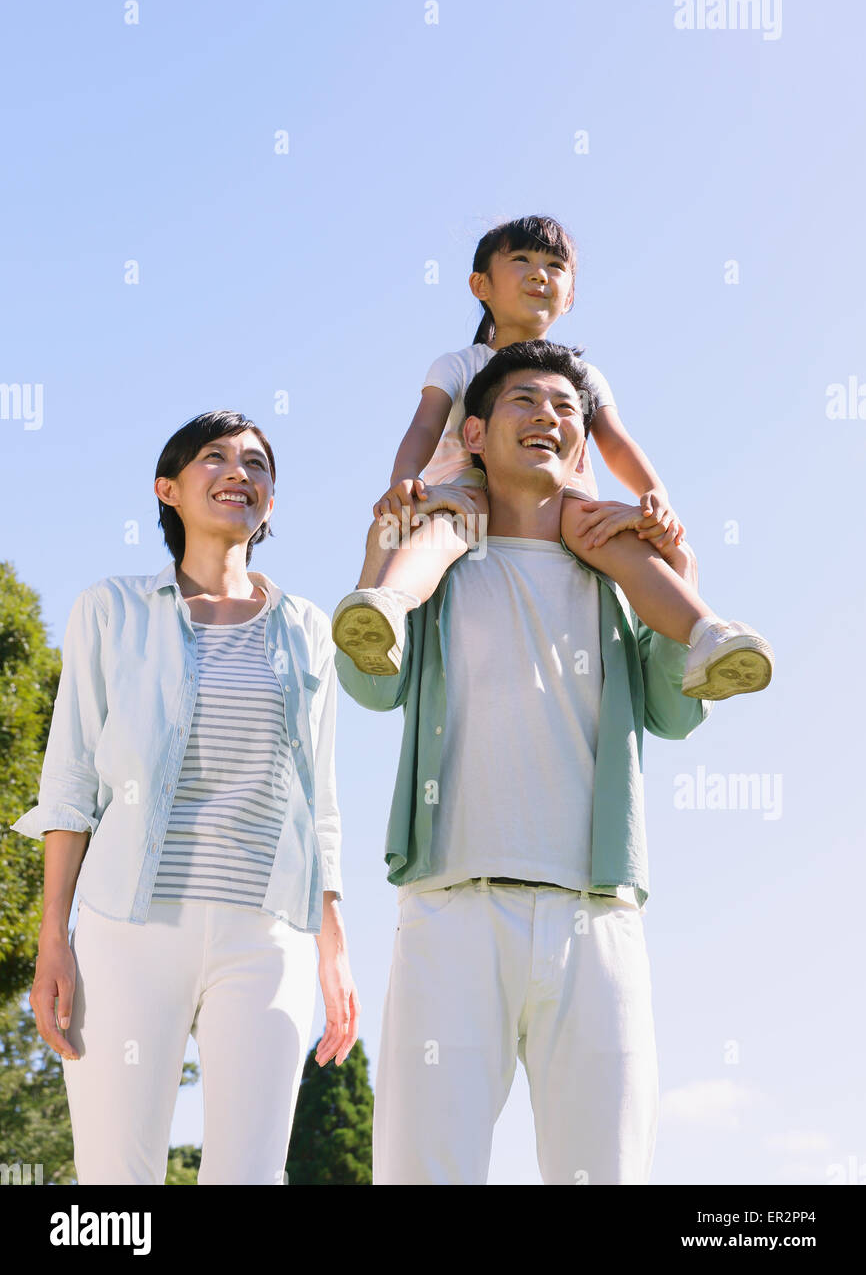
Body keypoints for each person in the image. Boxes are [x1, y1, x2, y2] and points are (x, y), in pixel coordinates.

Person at [335, 340, 716, 1185]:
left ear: (581, 446)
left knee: (605, 1174)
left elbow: (673, 715)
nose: (548, 416)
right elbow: (371, 691)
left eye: (565, 409)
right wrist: (378, 560)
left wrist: (679, 579)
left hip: (597, 914)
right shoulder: (438, 564)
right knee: (426, 1172)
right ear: (472, 433)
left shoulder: (618, 575)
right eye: (525, 401)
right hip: (451, 907)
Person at [12, 410, 360, 1186]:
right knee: (117, 1181)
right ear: (168, 489)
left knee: (249, 1177)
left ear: (271, 502)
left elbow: (319, 801)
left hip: (266, 936)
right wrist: (54, 938)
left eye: (258, 464)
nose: (242, 472)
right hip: (128, 928)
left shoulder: (306, 629)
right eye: (217, 457)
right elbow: (70, 785)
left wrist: (331, 945)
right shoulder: (111, 609)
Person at [331, 214, 773, 701]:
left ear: (572, 295)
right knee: (452, 524)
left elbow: (615, 440)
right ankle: (391, 606)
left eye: (555, 264)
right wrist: (405, 480)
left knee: (614, 539)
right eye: (521, 259)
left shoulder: (580, 375)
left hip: (561, 498)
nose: (540, 273)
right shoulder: (460, 363)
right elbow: (424, 424)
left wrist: (653, 495)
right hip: (467, 487)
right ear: (480, 284)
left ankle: (706, 634)